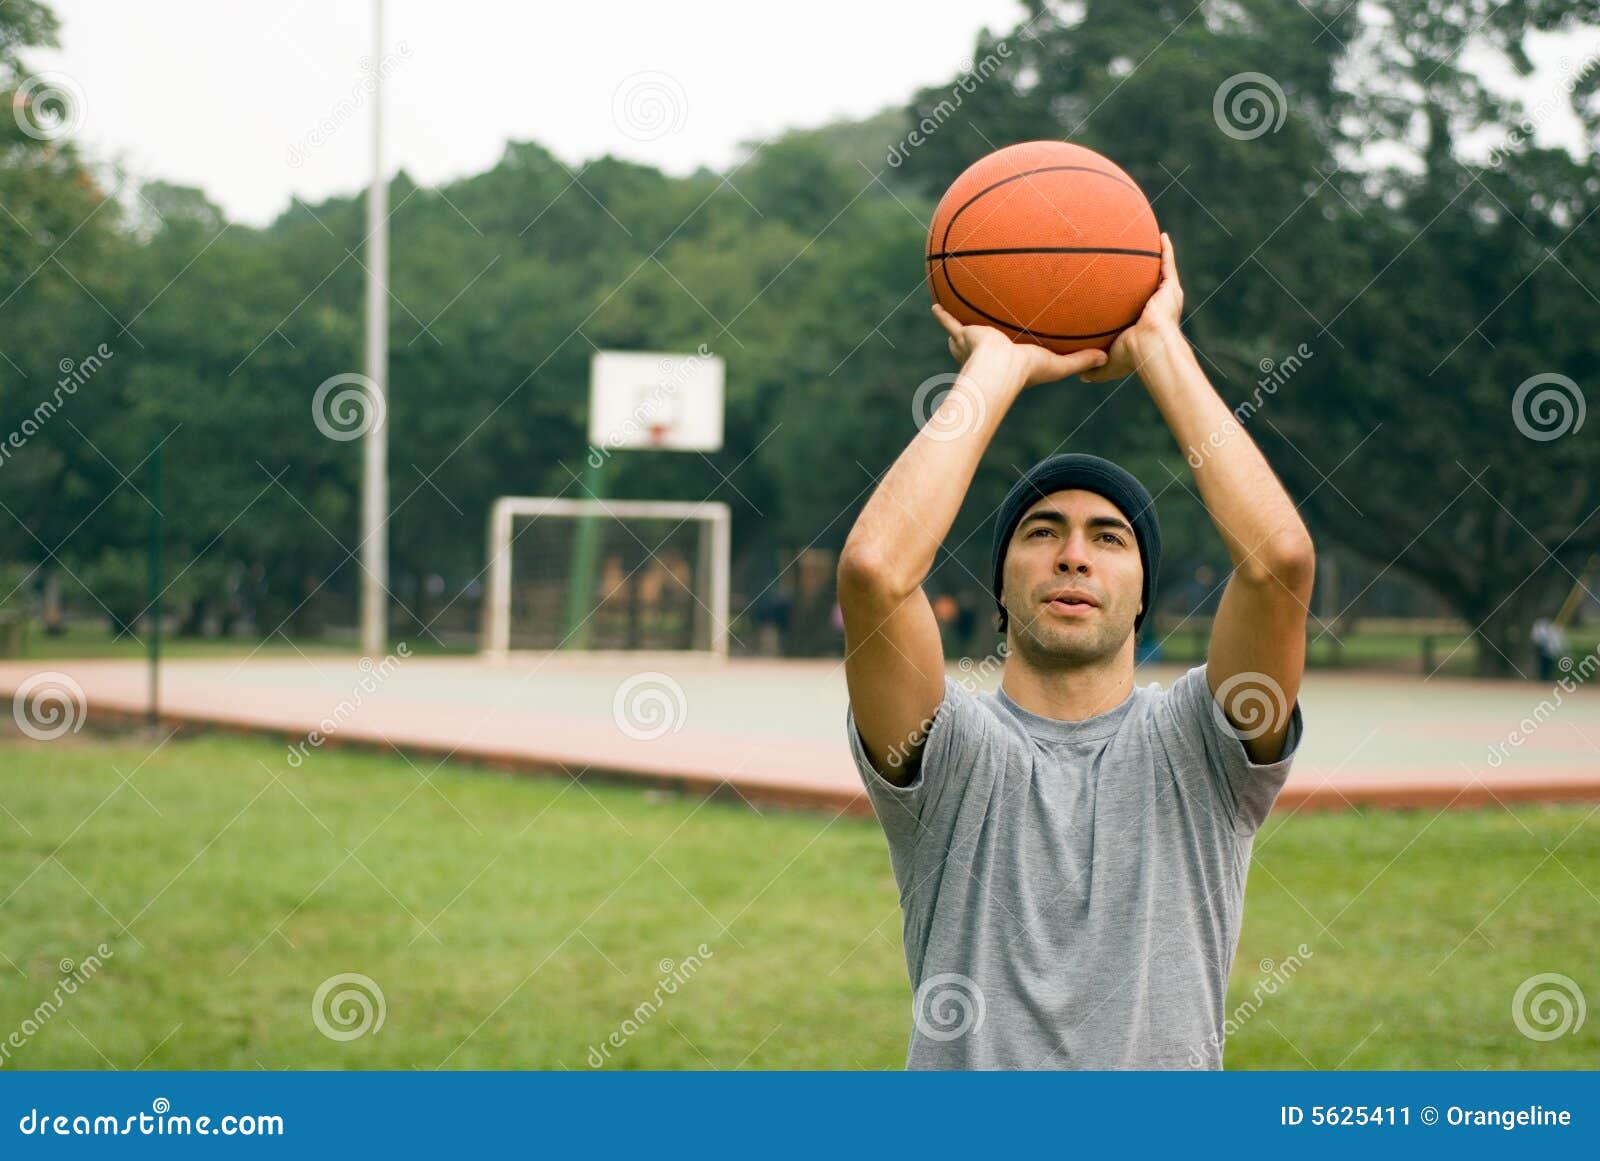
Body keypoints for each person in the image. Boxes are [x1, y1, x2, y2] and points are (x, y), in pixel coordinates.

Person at [837, 234, 1314, 1070]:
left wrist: (1159, 344)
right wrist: (998, 362)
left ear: (1142, 595)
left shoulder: (1203, 748)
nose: (1074, 555)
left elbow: (1278, 563)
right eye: (1040, 531)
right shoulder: (946, 751)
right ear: (999, 587)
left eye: (1110, 537)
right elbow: (875, 574)